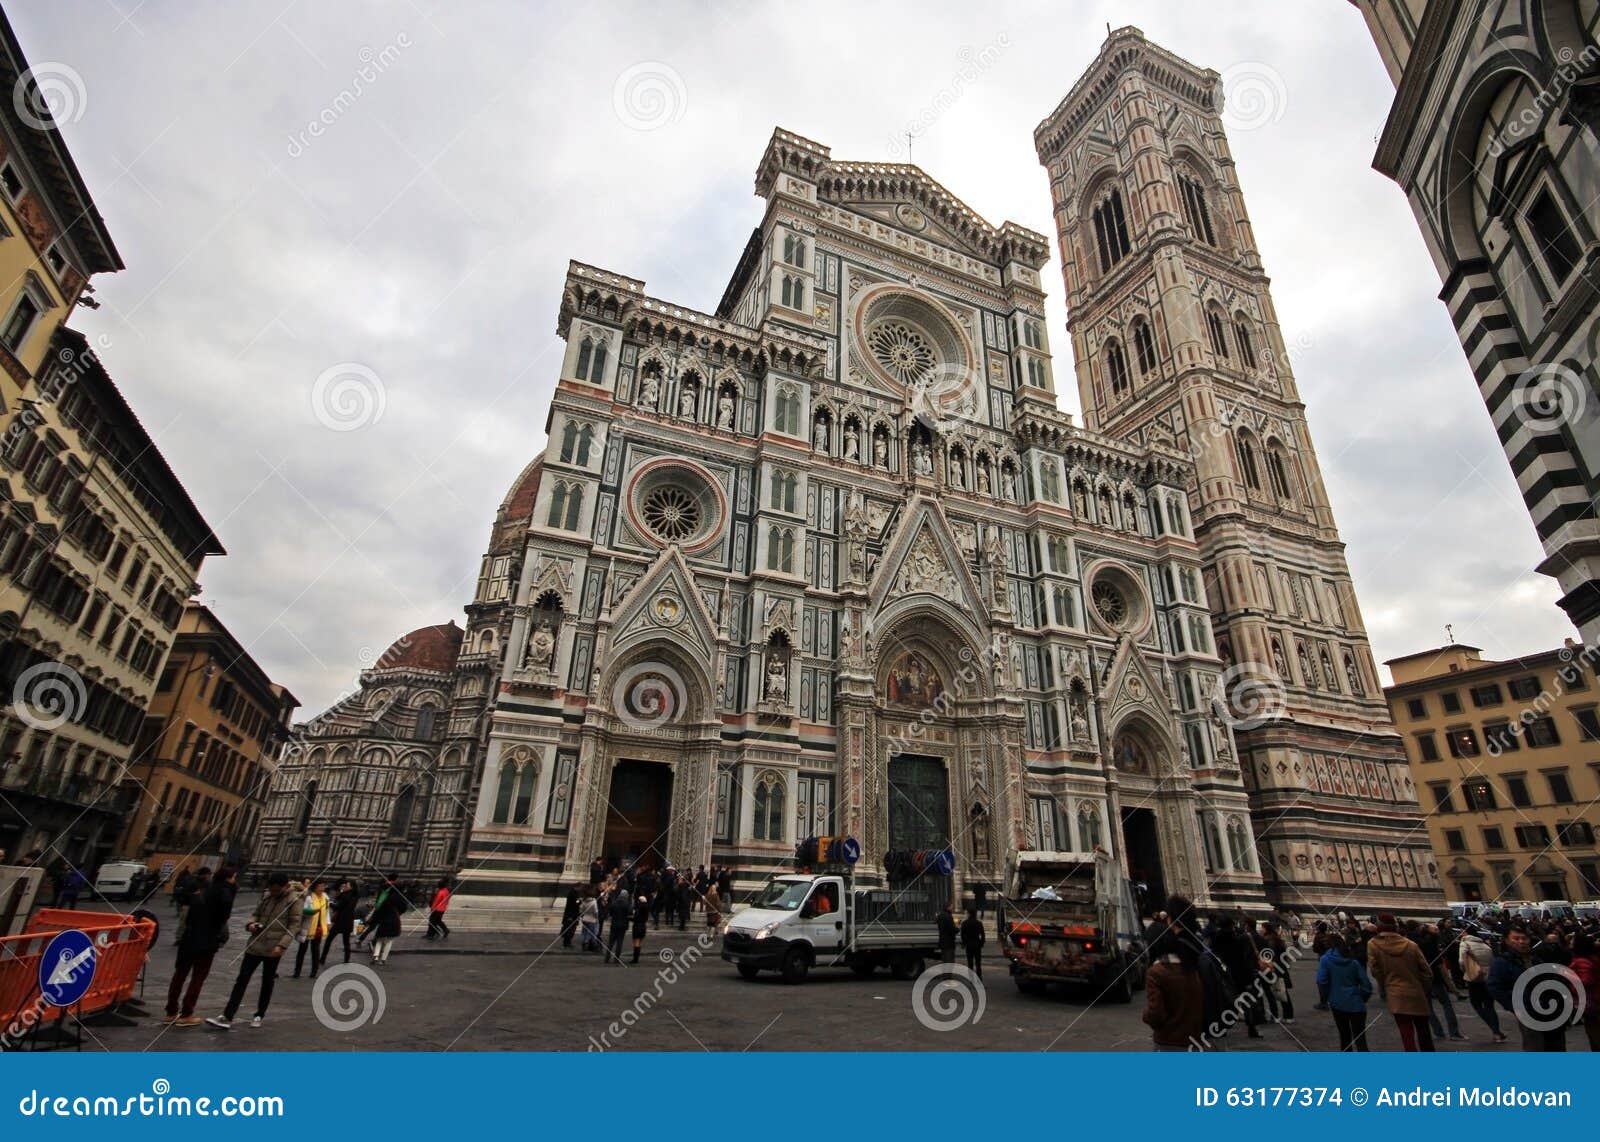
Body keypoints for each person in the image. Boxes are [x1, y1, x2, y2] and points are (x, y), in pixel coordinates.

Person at [206, 872, 300, 1030]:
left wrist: (282, 945)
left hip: (273, 948)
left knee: (267, 982)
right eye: (272, 889)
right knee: (241, 979)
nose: (274, 892)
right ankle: (227, 1015)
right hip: (255, 944)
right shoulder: (267, 897)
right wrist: (251, 924)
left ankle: (259, 1015)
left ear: (285, 887)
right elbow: (255, 914)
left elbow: (294, 925)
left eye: (277, 890)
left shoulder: (293, 900)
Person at [164, 866, 236, 1027]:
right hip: (206, 940)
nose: (234, 880)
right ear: (228, 879)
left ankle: (171, 1012)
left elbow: (188, 913)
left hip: (189, 937)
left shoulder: (201, 891)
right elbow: (223, 918)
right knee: (198, 977)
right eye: (233, 877)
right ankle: (186, 1014)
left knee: (180, 974)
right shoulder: (223, 893)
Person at [1489, 925, 1567, 1051]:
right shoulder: (1502, 962)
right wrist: (1514, 1006)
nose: (1521, 942)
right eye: (1516, 938)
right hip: (1528, 1012)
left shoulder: (1536, 957)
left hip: (1550, 1010)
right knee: (1536, 1047)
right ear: (1507, 940)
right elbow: (1495, 987)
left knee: (1556, 1046)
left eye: (1524, 938)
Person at [1367, 912, 1435, 1051]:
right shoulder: (1411, 945)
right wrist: (1423, 988)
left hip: (1395, 993)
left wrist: (1386, 985)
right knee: (1424, 1032)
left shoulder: (1373, 945)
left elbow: (1376, 971)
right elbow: (1427, 972)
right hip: (1417, 992)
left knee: (1406, 1034)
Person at [1143, 923, 1204, 1051]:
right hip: (1194, 1041)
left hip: (1168, 1041)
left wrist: (1146, 1015)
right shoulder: (1192, 969)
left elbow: (1156, 1013)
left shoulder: (1156, 972)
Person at [1315, 933, 1374, 1051]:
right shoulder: (1353, 961)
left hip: (1337, 1002)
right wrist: (1362, 997)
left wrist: (1328, 996)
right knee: (1361, 1039)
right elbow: (1366, 984)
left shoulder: (1325, 960)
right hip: (1356, 1003)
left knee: (1344, 1037)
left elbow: (1321, 981)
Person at [1415, 920, 1465, 1041]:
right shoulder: (1433, 941)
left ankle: (1439, 1033)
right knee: (1446, 1004)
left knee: (1429, 1007)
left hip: (1422, 977)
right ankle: (1454, 1033)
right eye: (1435, 929)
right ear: (1429, 931)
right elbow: (1437, 960)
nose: (1437, 930)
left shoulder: (1417, 942)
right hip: (1435, 977)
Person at [1457, 924, 1507, 1043]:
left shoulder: (1465, 943)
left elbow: (1461, 962)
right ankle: (1496, 1032)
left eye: (1462, 931)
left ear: (1466, 933)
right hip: (1488, 977)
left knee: (1476, 1004)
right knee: (1489, 1006)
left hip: (1475, 978)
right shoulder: (1485, 945)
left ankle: (1495, 1031)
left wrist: (1466, 971)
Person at [366, 875, 408, 965]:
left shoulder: (384, 897)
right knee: (389, 941)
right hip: (394, 919)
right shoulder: (399, 897)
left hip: (384, 920)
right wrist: (398, 913)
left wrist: (374, 918)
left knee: (380, 939)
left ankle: (376, 956)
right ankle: (383, 959)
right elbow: (404, 907)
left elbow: (379, 909)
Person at [293, 878, 330, 979]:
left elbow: (326, 912)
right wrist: (311, 911)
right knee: (302, 950)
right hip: (307, 926)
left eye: (323, 886)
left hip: (319, 927)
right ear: (315, 887)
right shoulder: (309, 897)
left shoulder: (326, 898)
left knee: (316, 950)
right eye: (320, 886)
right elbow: (303, 911)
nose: (322, 888)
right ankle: (297, 971)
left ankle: (314, 971)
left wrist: (328, 923)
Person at [1569, 931, 1600, 1053]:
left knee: (1595, 1037)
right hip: (1594, 1002)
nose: (1570, 942)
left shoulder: (1582, 961)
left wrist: (1569, 981)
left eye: (1573, 940)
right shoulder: (1592, 957)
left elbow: (1585, 981)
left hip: (1592, 1004)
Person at [322, 880, 359, 965]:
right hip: (348, 921)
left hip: (340, 921)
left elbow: (337, 906)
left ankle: (322, 958)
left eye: (347, 885)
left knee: (329, 940)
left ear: (351, 887)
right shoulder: (355, 895)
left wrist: (329, 903)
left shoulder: (346, 896)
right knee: (346, 942)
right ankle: (346, 959)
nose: (345, 886)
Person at [606, 887, 632, 964]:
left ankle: (607, 958)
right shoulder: (627, 904)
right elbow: (630, 913)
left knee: (611, 942)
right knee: (619, 942)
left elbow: (610, 913)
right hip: (623, 925)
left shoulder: (614, 903)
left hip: (614, 924)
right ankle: (616, 958)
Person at [960, 908, 985, 977]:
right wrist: (982, 943)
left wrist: (963, 943)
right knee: (978, 963)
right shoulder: (979, 923)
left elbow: (962, 934)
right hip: (977, 944)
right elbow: (982, 934)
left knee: (970, 963)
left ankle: (971, 978)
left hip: (969, 944)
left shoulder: (965, 923)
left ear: (969, 914)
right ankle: (979, 978)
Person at [630, 894, 651, 963]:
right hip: (643, 926)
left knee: (636, 942)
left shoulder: (639, 908)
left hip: (637, 926)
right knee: (639, 942)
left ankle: (635, 959)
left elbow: (636, 918)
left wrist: (629, 918)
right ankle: (636, 958)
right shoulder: (646, 908)